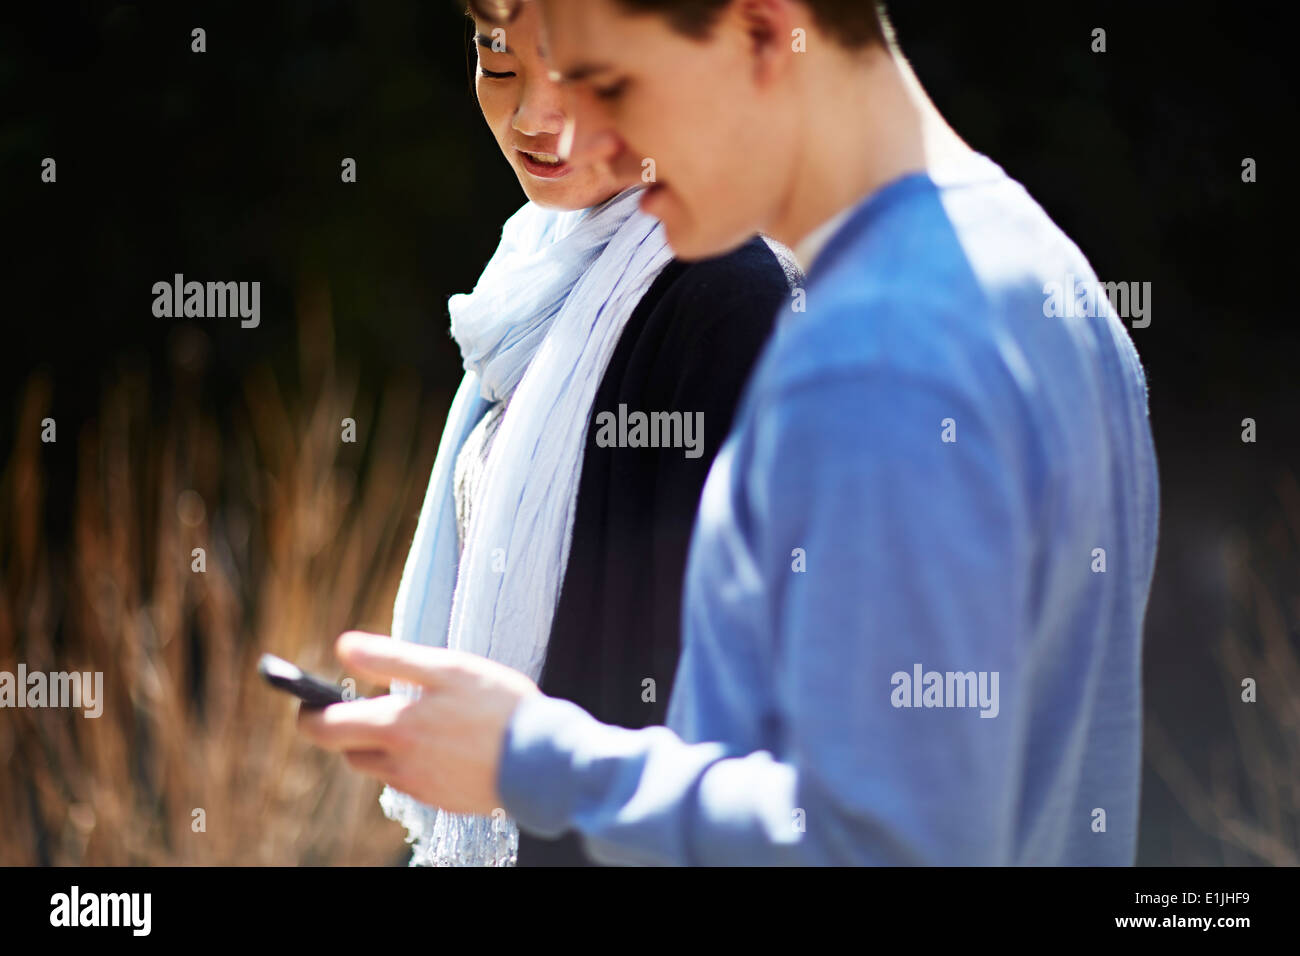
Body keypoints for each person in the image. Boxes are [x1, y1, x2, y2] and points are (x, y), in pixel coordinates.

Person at [300, 0, 1159, 865]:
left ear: (757, 31)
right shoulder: (1058, 292)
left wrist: (533, 760)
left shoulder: (881, 353)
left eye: (612, 82)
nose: (586, 142)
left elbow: (883, 843)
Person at [377, 0, 789, 865]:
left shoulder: (729, 299)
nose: (531, 116)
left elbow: (714, 718)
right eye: (499, 59)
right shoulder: (533, 268)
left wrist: (518, 763)